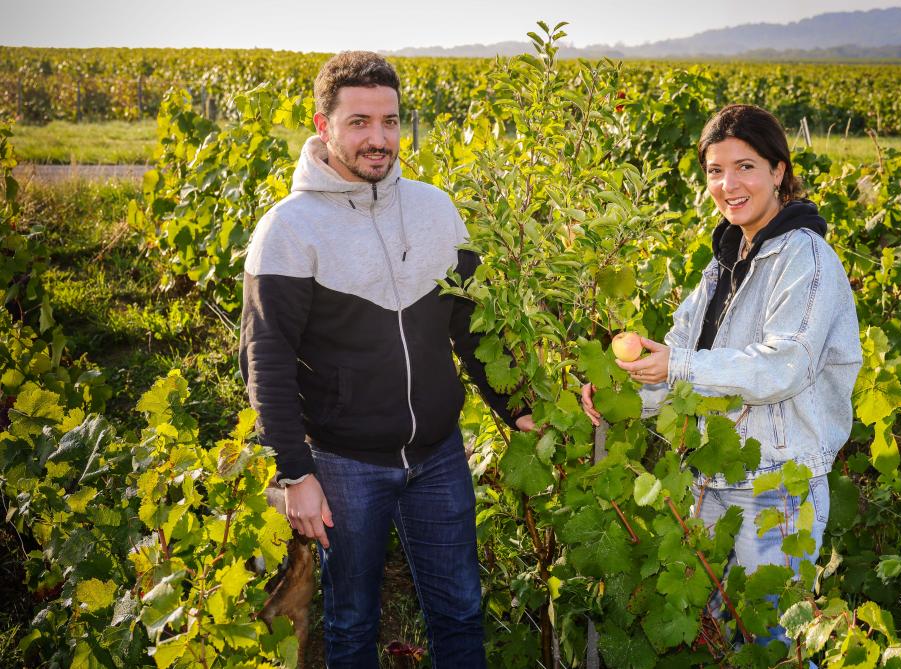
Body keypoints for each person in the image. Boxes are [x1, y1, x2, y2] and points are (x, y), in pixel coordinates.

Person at [239, 51, 534, 668]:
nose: (379, 139)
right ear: (323, 126)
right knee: (350, 623)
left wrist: (520, 411)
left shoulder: (435, 210)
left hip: (439, 456)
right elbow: (266, 362)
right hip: (344, 464)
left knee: (460, 610)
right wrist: (296, 474)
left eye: (391, 121)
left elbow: (470, 328)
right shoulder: (288, 230)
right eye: (359, 122)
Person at [582, 104, 861, 641]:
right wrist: (619, 394)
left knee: (770, 644)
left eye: (745, 167)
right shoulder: (722, 264)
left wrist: (678, 363)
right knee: (709, 635)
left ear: (779, 171)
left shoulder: (806, 257)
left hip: (779, 486)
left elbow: (786, 364)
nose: (728, 184)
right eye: (715, 171)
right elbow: (684, 359)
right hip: (711, 479)